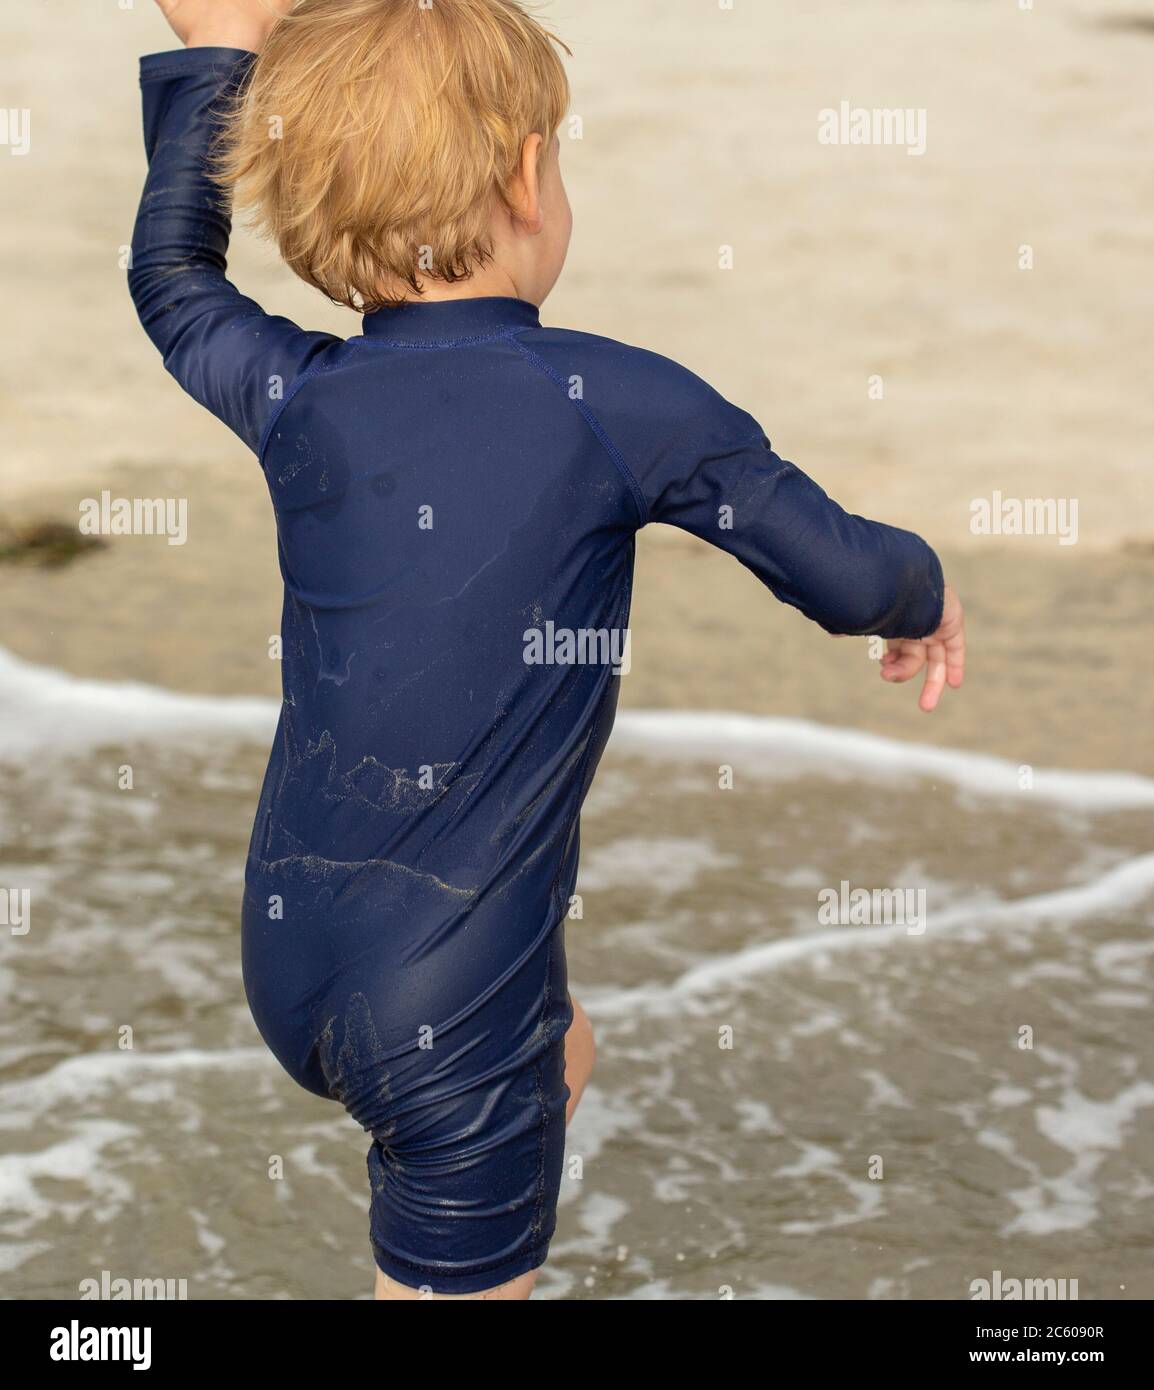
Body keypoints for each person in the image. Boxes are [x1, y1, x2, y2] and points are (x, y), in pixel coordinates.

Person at [131, 0, 966, 1300]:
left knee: (557, 1044)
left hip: (291, 956)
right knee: (480, 1133)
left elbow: (174, 280)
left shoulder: (300, 392)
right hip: (448, 1008)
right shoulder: (622, 400)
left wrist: (221, 57)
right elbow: (841, 568)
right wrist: (916, 594)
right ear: (528, 175)